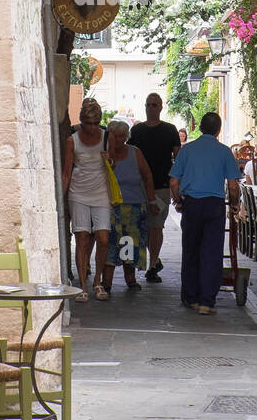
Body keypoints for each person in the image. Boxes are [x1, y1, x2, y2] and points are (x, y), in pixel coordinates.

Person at [169, 111, 242, 315]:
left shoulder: (187, 150)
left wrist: (178, 201)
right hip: (214, 206)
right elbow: (233, 186)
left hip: (191, 204)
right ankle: (206, 301)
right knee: (211, 253)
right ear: (218, 130)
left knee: (191, 250)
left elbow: (173, 182)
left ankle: (191, 298)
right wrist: (234, 204)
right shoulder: (224, 151)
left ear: (200, 127)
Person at [62, 97, 111, 301]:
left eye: (94, 123)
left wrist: (110, 161)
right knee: (81, 238)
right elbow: (67, 172)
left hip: (101, 193)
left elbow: (113, 166)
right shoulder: (72, 140)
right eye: (87, 124)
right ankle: (82, 285)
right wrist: (61, 199)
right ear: (81, 121)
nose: (91, 128)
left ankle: (97, 280)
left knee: (103, 238)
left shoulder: (107, 137)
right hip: (78, 193)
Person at [129, 93, 182, 282]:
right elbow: (129, 155)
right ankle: (151, 260)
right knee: (140, 226)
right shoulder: (137, 131)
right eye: (148, 104)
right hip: (139, 185)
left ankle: (151, 265)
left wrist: (177, 184)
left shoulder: (170, 130)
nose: (151, 108)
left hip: (161, 185)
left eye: (154, 105)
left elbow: (178, 158)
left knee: (156, 226)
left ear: (161, 107)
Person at [104, 120, 158, 291]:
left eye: (122, 136)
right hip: (111, 206)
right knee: (111, 243)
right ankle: (106, 281)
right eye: (115, 137)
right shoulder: (104, 154)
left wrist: (152, 201)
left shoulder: (135, 153)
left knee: (131, 243)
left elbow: (147, 177)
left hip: (134, 206)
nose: (119, 140)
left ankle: (130, 279)